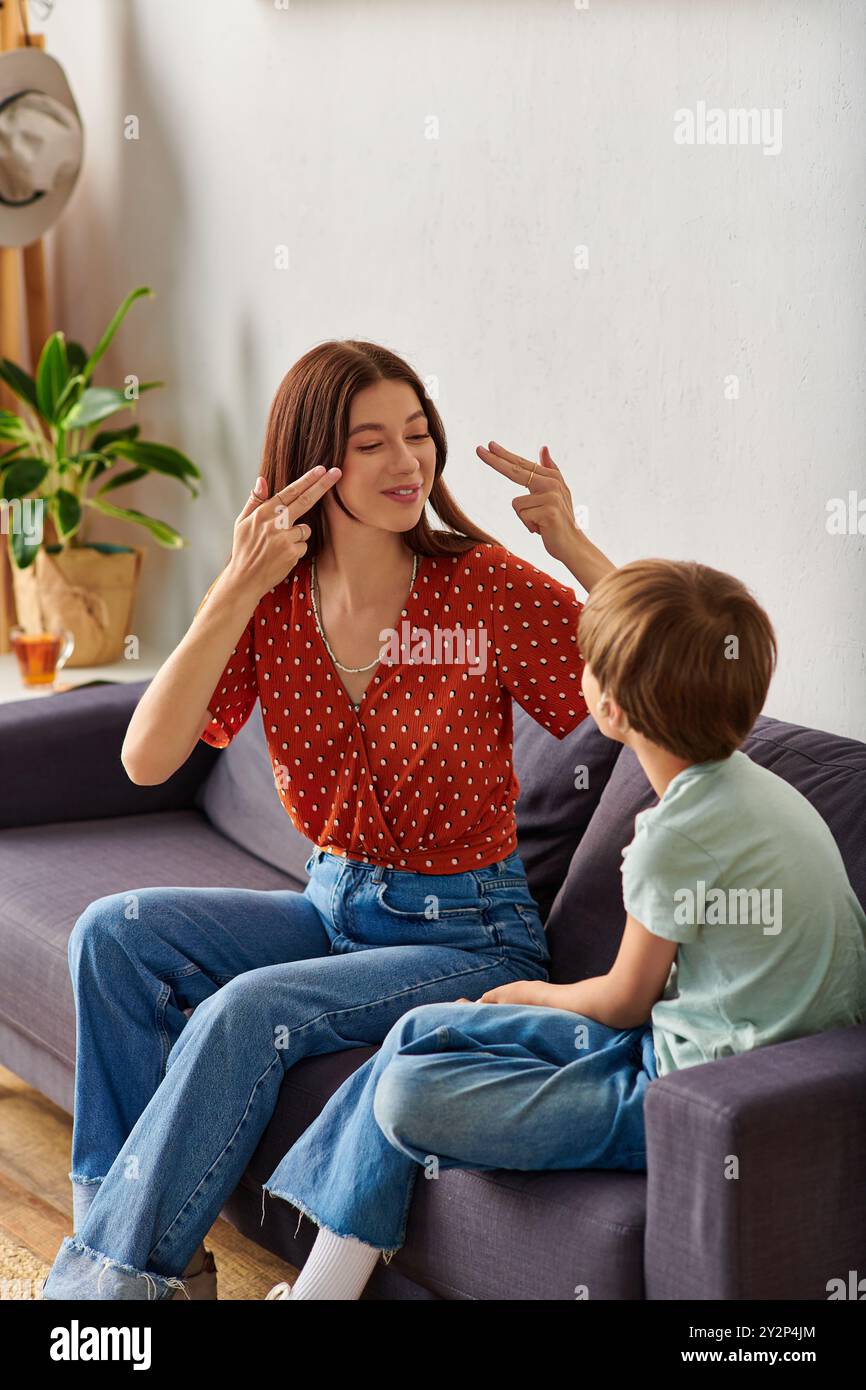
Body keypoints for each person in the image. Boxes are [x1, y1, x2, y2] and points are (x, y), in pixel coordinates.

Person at [41, 338, 613, 1299]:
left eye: (418, 435)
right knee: (112, 936)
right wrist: (232, 586)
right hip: (333, 901)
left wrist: (574, 544)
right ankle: (144, 1260)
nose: (408, 464)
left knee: (245, 1010)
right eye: (372, 442)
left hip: (473, 932)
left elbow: (662, 681)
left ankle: (107, 1297)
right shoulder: (273, 603)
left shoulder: (479, 586)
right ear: (313, 463)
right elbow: (146, 757)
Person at [260, 557, 866, 1301]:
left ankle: (321, 1291)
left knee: (405, 1096)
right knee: (418, 1027)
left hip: (673, 1092)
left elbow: (623, 1003)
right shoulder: (764, 790)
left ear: (610, 709)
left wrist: (527, 993)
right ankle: (328, 1285)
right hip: (691, 1046)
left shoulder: (676, 837)